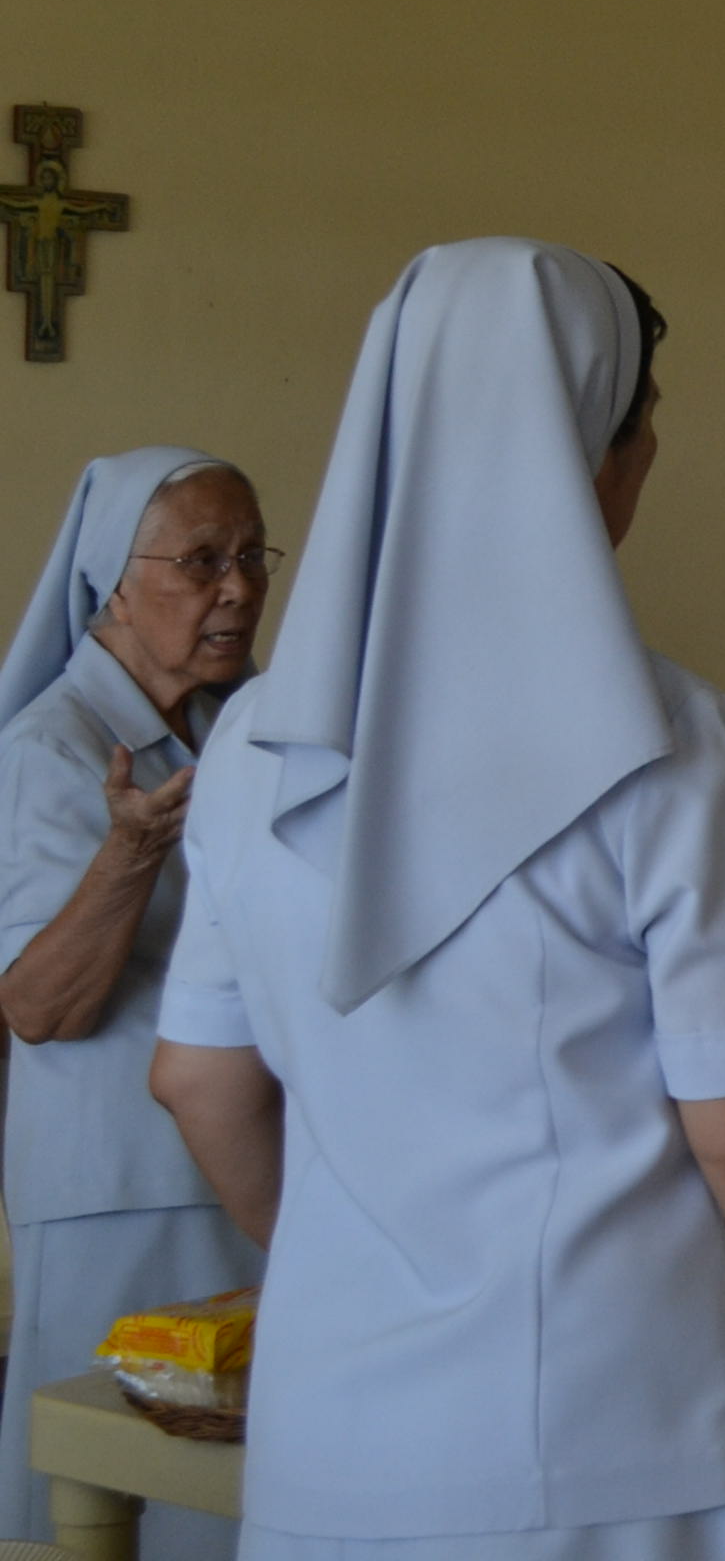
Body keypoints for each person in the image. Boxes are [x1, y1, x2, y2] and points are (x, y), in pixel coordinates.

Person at [148, 239, 725, 1557]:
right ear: (589, 453)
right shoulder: (665, 738)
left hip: (335, 1442)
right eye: (644, 429)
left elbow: (200, 1081)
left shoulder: (255, 746)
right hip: (624, 1437)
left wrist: (365, 1261)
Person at [0, 449, 272, 1558]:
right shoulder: (47, 748)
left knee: (235, 1493)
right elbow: (35, 1007)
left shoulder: (246, 727)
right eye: (202, 560)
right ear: (115, 579)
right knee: (126, 1502)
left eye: (254, 557)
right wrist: (128, 855)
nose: (241, 588)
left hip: (245, 1166)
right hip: (120, 1193)